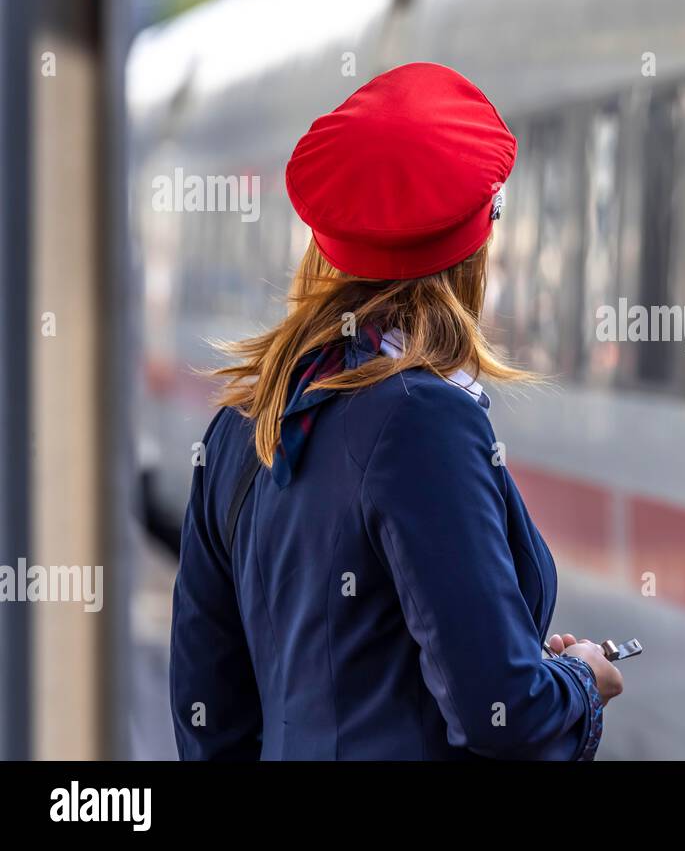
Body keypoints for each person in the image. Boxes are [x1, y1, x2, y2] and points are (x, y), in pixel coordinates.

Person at [169, 62, 623, 760]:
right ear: (475, 246)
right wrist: (580, 679)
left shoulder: (243, 422)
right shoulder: (425, 423)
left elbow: (207, 716)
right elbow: (501, 713)